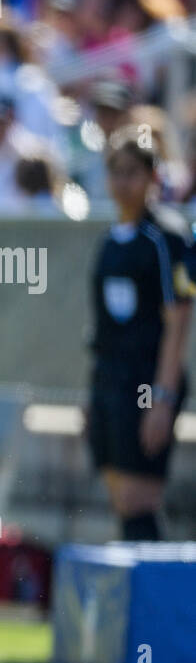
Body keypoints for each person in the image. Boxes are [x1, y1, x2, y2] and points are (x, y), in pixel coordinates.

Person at [85, 127, 195, 540]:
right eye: (116, 172)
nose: (123, 182)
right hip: (111, 380)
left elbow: (179, 319)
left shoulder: (167, 238)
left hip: (146, 381)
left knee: (139, 498)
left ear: (152, 177)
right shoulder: (109, 242)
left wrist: (162, 398)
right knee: (119, 495)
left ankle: (159, 599)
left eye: (133, 172)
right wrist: (92, 393)